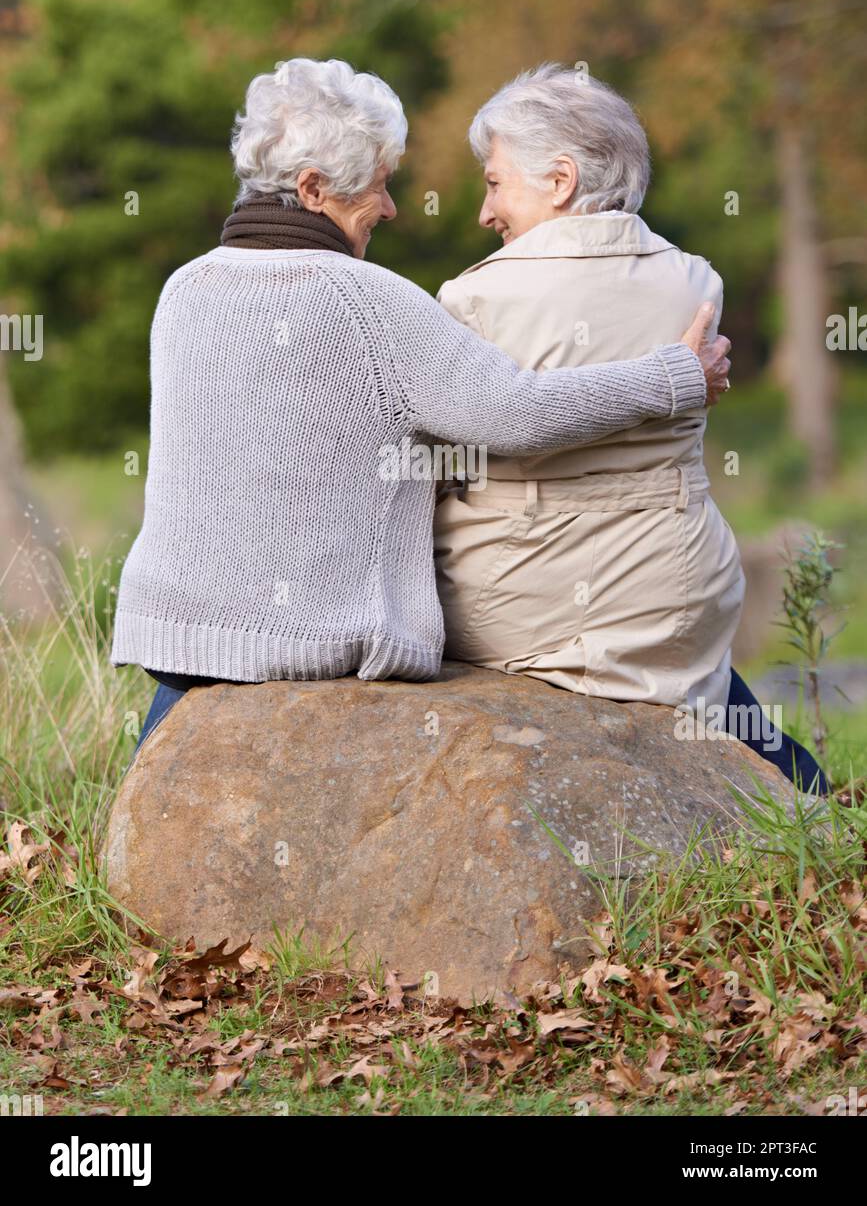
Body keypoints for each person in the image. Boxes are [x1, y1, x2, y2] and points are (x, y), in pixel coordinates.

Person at [111, 57, 729, 753]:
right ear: (312, 189)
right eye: (378, 186)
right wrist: (675, 376)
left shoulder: (184, 288)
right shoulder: (372, 301)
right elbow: (517, 414)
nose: (390, 208)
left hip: (174, 636)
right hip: (309, 641)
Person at [433, 64, 827, 794]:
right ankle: (811, 795)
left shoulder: (473, 299)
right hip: (681, 595)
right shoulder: (696, 282)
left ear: (559, 181)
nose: (485, 212)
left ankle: (809, 793)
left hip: (522, 604)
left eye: (494, 183)